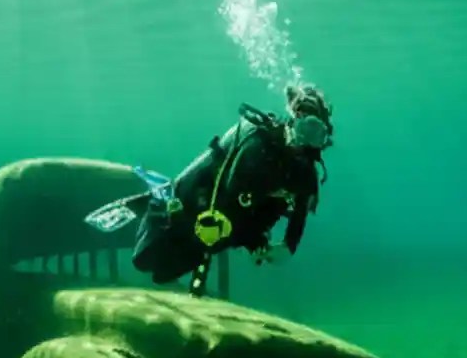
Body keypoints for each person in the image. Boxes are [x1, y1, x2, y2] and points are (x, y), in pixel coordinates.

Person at [131, 84, 333, 295]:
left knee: (163, 274)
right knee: (143, 260)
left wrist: (285, 247)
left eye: (316, 134)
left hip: (230, 229)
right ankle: (156, 204)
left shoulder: (306, 174)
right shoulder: (259, 146)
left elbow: (298, 216)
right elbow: (231, 187)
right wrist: (253, 237)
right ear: (293, 121)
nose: (304, 142)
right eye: (304, 128)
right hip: (200, 204)